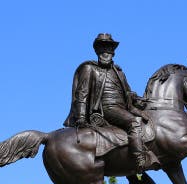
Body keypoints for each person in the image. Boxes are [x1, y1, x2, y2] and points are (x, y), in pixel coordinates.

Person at [64, 33, 150, 171]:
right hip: (106, 109)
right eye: (102, 48)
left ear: (113, 51)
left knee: (146, 121)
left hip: (123, 108)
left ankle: (131, 174)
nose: (105, 52)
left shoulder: (119, 72)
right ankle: (139, 160)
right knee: (134, 123)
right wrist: (80, 116)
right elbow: (82, 93)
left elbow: (127, 92)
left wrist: (138, 99)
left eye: (108, 48)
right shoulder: (89, 68)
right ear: (97, 50)